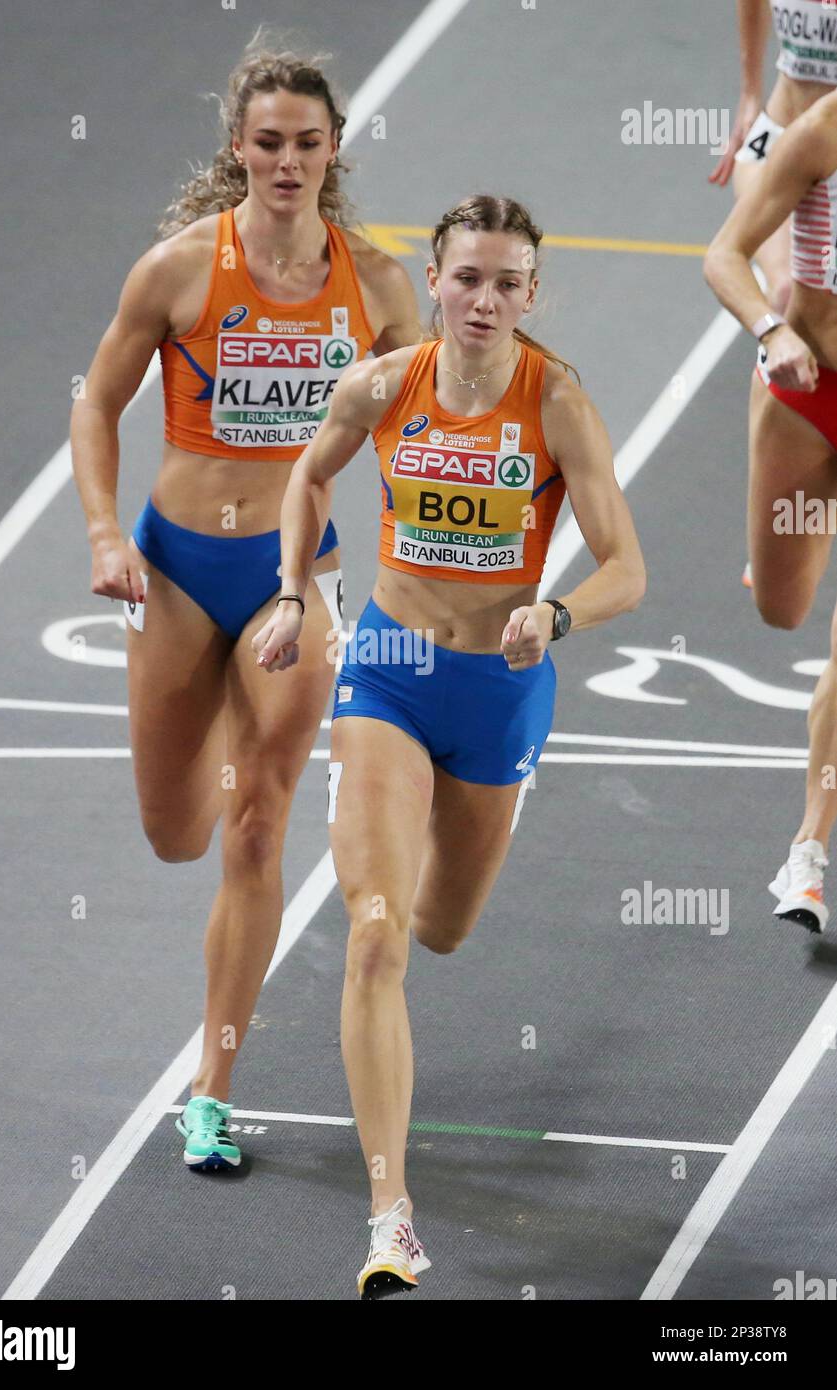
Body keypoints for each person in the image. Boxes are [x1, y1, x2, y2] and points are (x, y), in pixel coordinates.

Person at [253, 195, 646, 1297]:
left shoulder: (557, 403)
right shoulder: (382, 386)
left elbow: (626, 565)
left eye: (506, 282)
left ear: (533, 295)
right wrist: (295, 589)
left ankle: (439, 829)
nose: (484, 298)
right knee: (372, 933)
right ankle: (393, 1219)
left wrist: (559, 612)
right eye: (467, 276)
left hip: (499, 692)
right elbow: (309, 472)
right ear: (435, 279)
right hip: (387, 673)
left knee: (440, 928)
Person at [70, 33, 423, 1173]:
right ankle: (215, 723)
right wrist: (102, 531)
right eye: (267, 142)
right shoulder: (178, 268)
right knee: (177, 832)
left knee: (260, 821)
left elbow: (431, 427)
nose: (286, 161)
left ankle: (212, 1090)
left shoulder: (373, 285)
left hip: (295, 586)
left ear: (334, 152)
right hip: (175, 573)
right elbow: (96, 405)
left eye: (307, 143)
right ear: (239, 148)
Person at [705, 90, 837, 935]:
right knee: (781, 609)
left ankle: (808, 853)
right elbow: (724, 253)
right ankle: (790, 542)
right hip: (803, 392)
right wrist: (768, 329)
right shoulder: (823, 130)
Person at [710, 0, 837, 587]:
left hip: (828, 151)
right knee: (782, 289)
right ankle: (774, 501)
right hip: (779, 135)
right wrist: (748, 93)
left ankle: (809, 498)